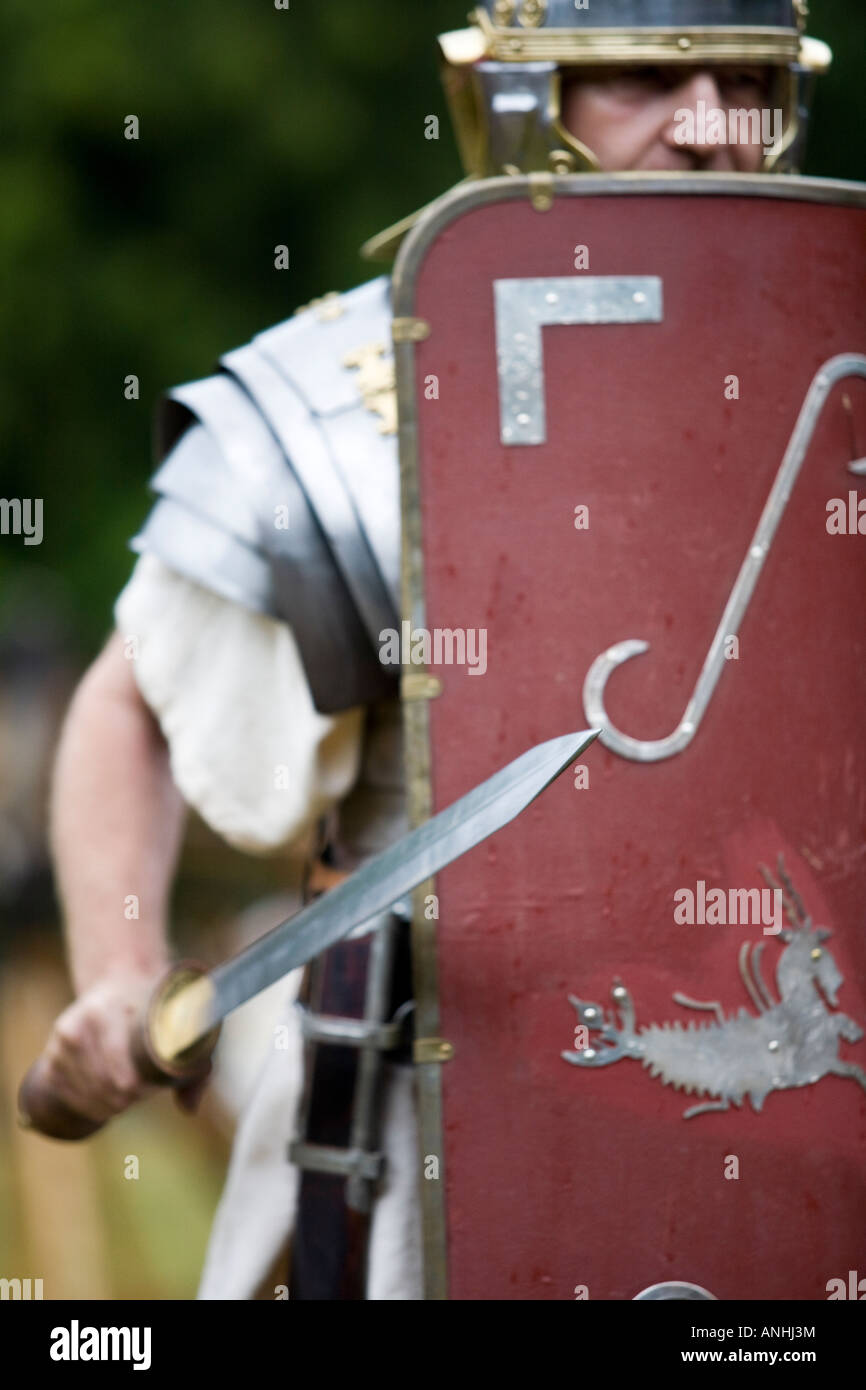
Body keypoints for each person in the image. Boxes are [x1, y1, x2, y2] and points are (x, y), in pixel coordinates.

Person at [34, 1, 831, 1298]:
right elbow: (132, 702)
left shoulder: (835, 368)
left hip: (802, 1111)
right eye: (642, 81)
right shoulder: (364, 395)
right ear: (517, 96)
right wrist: (119, 973)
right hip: (429, 1135)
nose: (701, 124)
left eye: (738, 79)